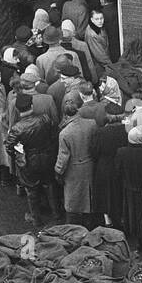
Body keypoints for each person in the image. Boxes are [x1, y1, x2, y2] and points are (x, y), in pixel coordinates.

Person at [4, 93, 56, 227]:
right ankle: (56, 212)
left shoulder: (17, 128)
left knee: (32, 191)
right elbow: (53, 135)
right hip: (46, 158)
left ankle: (36, 218)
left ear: (17, 109)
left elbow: (9, 147)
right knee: (49, 185)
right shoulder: (44, 118)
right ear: (31, 105)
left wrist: (18, 156)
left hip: (28, 162)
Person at [55, 96, 96, 226]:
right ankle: (90, 225)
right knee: (88, 198)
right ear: (77, 110)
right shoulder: (91, 124)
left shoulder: (65, 133)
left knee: (73, 201)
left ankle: (73, 228)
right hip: (90, 165)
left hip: (73, 171)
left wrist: (58, 171)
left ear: (65, 114)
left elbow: (63, 157)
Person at [91, 102, 131, 227]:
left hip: (105, 166)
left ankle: (108, 220)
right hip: (122, 166)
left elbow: (94, 151)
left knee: (105, 194)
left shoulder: (101, 132)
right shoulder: (127, 131)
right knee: (119, 193)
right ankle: (122, 219)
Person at [116, 124, 142, 251]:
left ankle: (135, 237)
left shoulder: (122, 152)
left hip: (129, 188)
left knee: (132, 214)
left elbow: (118, 169)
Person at [83, 8, 112, 82]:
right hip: (100, 66)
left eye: (101, 18)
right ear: (92, 20)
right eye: (97, 19)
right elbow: (100, 55)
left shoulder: (99, 27)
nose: (100, 21)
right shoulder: (91, 34)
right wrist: (111, 65)